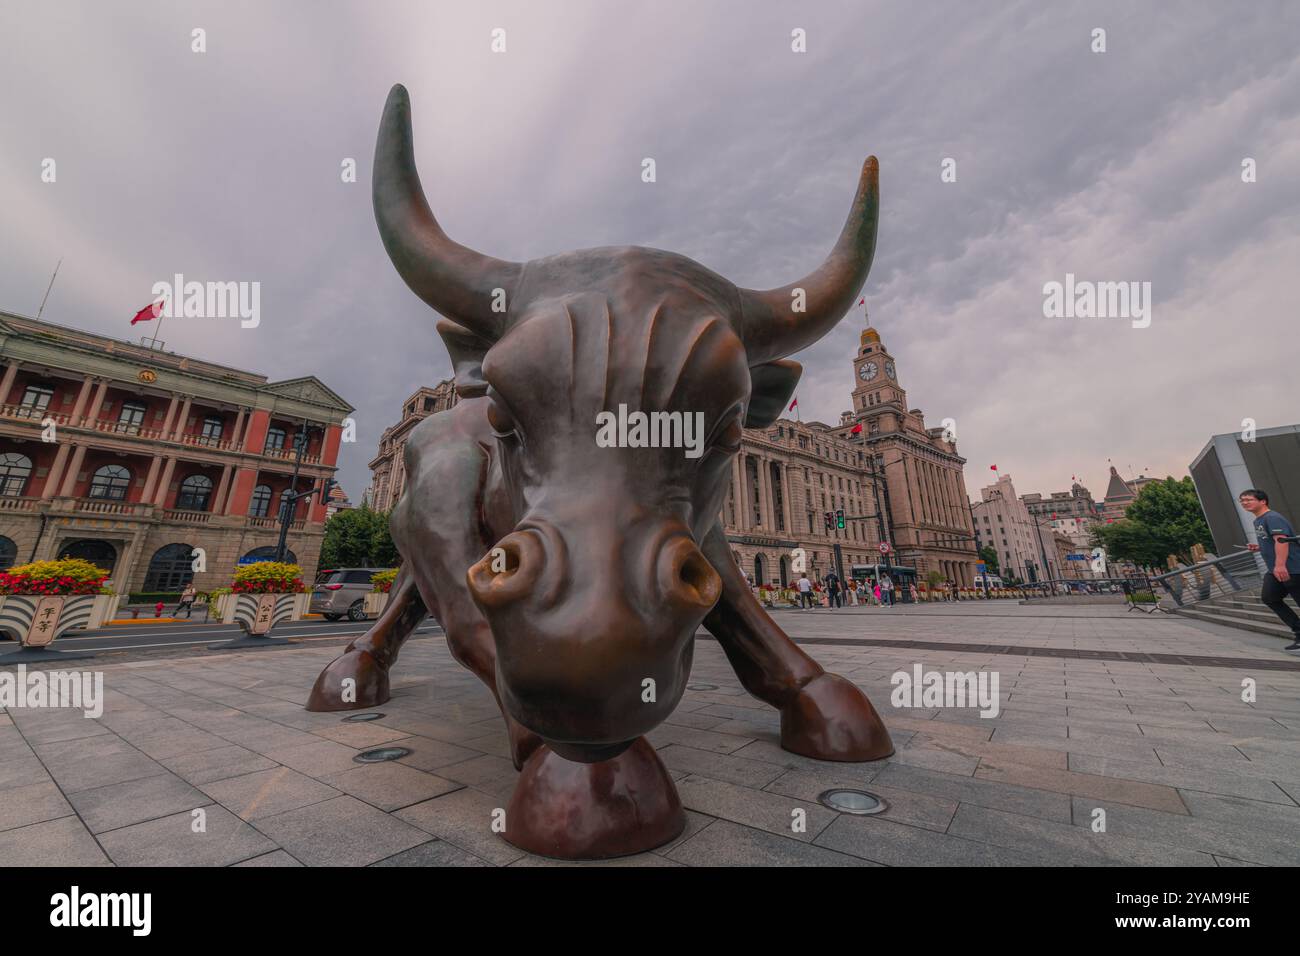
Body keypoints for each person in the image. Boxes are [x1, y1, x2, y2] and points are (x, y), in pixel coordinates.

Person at [1239, 489, 1300, 650]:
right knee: (1270, 597)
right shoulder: (1258, 520)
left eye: (1248, 499)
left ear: (1262, 501)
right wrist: (1259, 547)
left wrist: (1280, 565)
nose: (1244, 503)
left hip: (1291, 568)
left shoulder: (1272, 518)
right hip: (1274, 569)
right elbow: (1273, 542)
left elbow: (1282, 541)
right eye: (1242, 500)